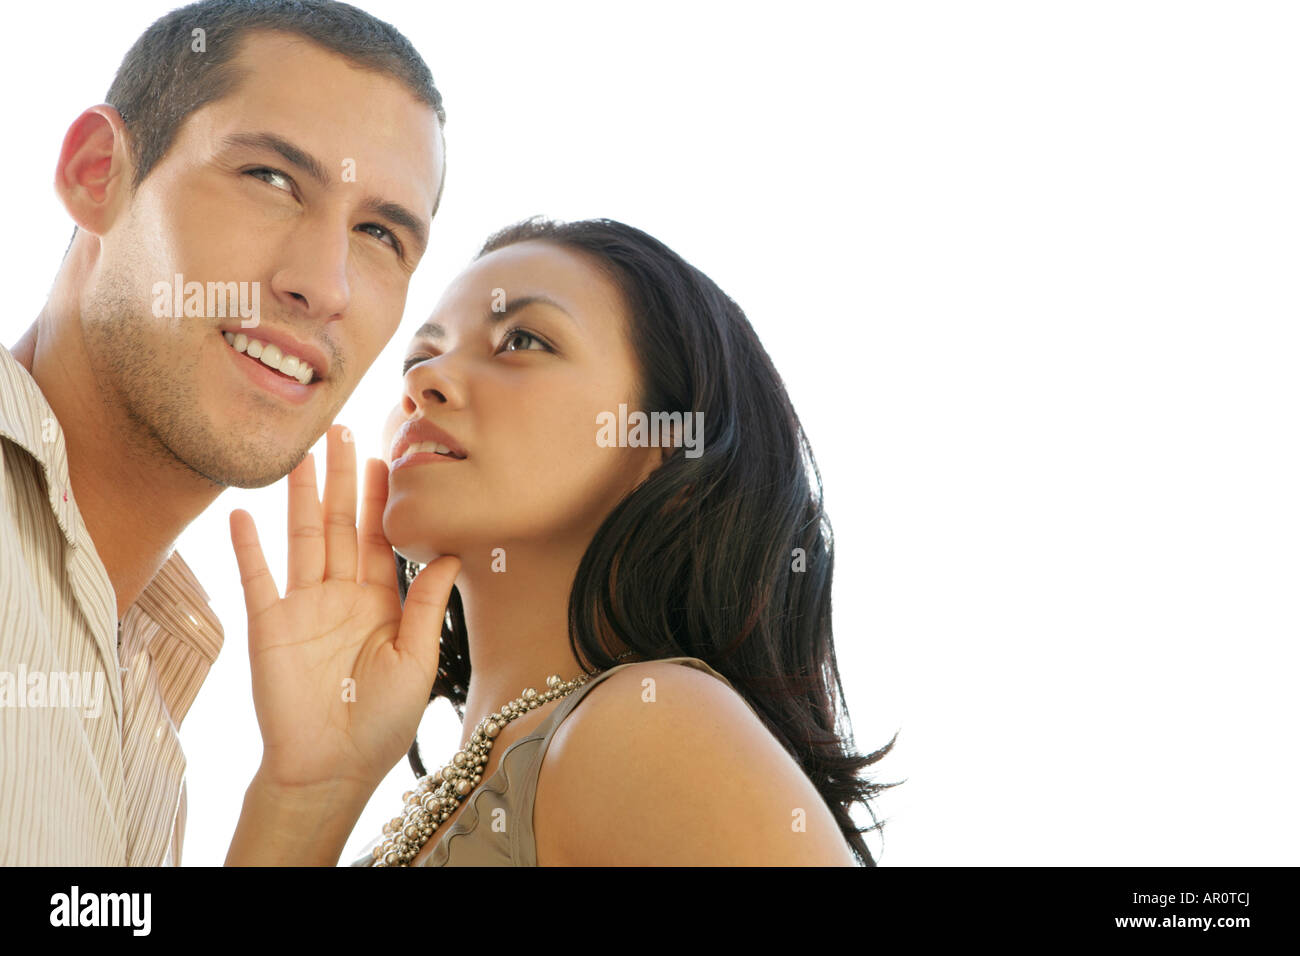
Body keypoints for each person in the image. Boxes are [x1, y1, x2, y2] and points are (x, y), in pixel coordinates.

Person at [224, 217, 900, 866]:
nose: (422, 384)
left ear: (664, 446)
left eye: (522, 341)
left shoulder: (655, 724)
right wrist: (308, 787)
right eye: (420, 355)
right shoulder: (438, 798)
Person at [0, 0, 446, 865]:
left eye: (379, 233)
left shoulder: (146, 668)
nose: (325, 285)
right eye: (272, 180)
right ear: (99, 174)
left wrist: (307, 798)